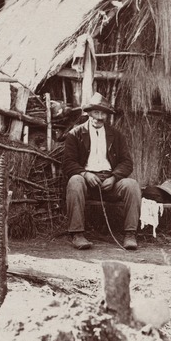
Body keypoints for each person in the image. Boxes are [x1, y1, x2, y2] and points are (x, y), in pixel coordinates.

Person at [62, 93, 141, 251]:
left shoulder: (116, 135)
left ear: (107, 116)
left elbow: (127, 163)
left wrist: (114, 177)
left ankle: (130, 234)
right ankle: (77, 234)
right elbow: (68, 163)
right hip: (86, 182)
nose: (99, 117)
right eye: (96, 112)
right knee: (75, 181)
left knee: (132, 185)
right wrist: (85, 174)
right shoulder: (75, 134)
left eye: (103, 113)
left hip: (110, 182)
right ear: (89, 113)